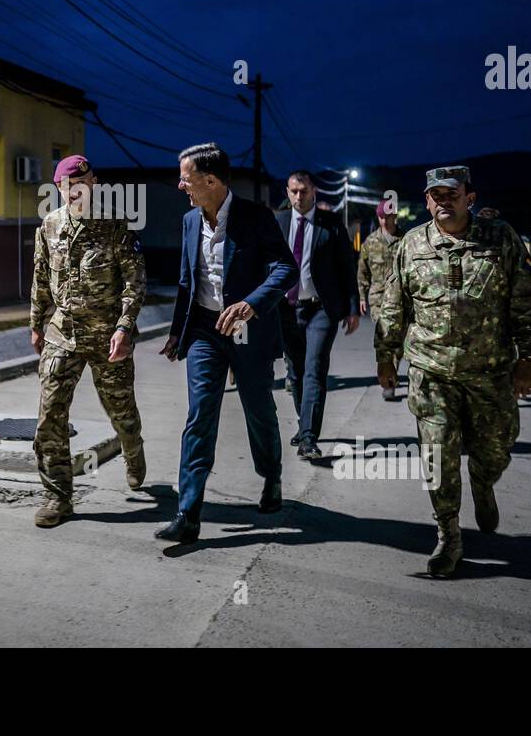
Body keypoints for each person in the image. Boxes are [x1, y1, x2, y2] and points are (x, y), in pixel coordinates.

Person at [374, 166, 531, 577]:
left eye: (452, 192)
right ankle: (448, 536)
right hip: (431, 372)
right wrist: (386, 356)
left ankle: (484, 480)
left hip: (490, 372)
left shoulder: (500, 238)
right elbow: (394, 305)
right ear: (427, 200)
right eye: (435, 194)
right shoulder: (412, 245)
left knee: (498, 445)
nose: (443, 200)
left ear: (470, 197)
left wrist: (528, 358)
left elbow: (528, 300)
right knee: (437, 456)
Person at [156, 143, 298, 544]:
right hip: (203, 328)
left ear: (211, 180)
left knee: (258, 407)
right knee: (200, 413)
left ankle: (271, 475)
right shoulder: (188, 221)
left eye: (186, 177)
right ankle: (188, 511)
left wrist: (251, 304)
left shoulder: (255, 218)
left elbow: (285, 268)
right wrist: (175, 332)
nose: (181, 184)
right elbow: (188, 280)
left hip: (246, 329)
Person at [29, 156, 148, 527]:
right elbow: (40, 276)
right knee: (50, 415)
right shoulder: (48, 226)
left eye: (82, 183)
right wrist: (36, 323)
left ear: (94, 182)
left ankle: (133, 448)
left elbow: (134, 282)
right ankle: (58, 497)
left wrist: (125, 328)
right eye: (68, 185)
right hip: (62, 333)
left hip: (106, 335)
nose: (76, 190)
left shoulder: (115, 224)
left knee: (121, 411)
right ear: (58, 187)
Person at [276, 171, 360, 459]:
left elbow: (347, 268)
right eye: (294, 191)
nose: (299, 197)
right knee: (295, 373)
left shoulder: (331, 224)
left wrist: (352, 307)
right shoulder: (279, 222)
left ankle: (309, 438)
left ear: (315, 192)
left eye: (304, 191)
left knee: (314, 370)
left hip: (321, 309)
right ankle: (304, 425)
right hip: (286, 310)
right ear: (288, 192)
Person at [358, 201, 404, 400]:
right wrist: (361, 296)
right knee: (384, 336)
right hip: (378, 299)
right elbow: (362, 272)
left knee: (399, 344)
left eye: (388, 216)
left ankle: (391, 372)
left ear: (395, 216)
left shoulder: (406, 240)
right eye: (381, 217)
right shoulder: (369, 242)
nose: (385, 220)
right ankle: (389, 382)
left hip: (401, 299)